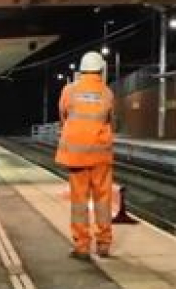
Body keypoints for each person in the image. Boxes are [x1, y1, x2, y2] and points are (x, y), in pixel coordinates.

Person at [55, 51, 115, 260]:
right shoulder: (107, 93)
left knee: (79, 201)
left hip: (77, 156)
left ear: (81, 70)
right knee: (103, 200)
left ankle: (82, 246)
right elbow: (110, 119)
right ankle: (104, 244)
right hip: (101, 156)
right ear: (100, 70)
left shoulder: (69, 90)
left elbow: (63, 115)